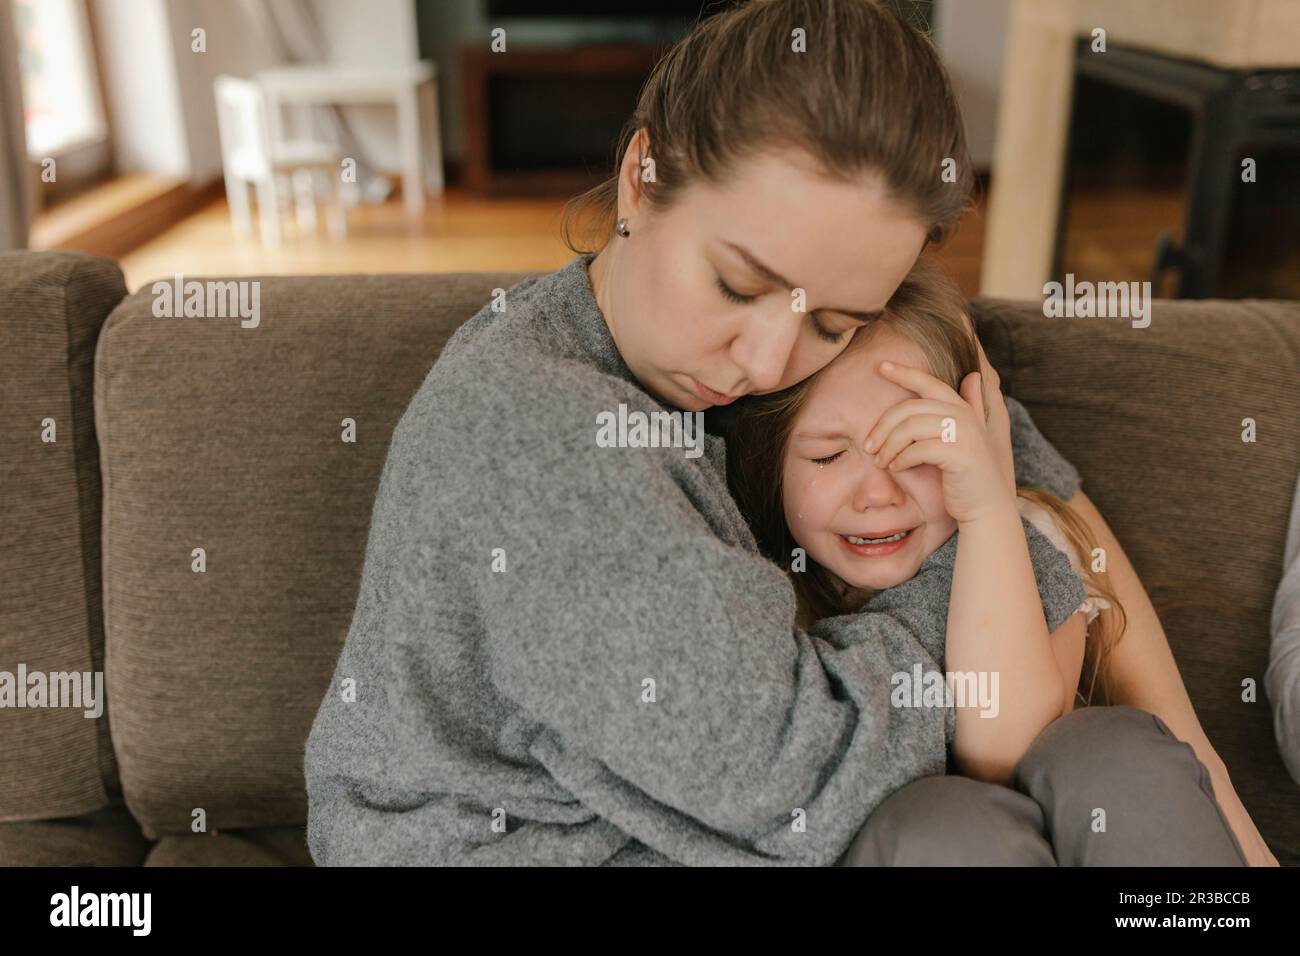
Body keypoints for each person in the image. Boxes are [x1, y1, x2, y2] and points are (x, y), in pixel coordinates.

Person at [304, 0, 1270, 865]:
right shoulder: (547, 437)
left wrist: (1215, 787)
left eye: (833, 322)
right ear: (641, 179)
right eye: (738, 284)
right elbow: (799, 777)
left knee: (1040, 796)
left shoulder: (707, 354)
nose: (765, 364)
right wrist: (1005, 574)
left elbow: (1039, 491)